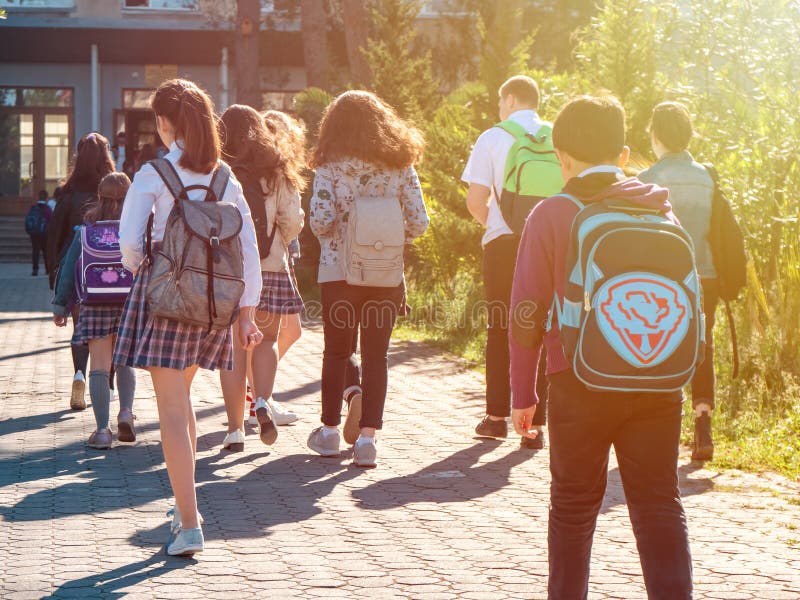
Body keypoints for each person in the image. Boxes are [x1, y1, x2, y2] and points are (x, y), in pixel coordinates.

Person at [509, 95, 693, 598]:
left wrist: (523, 394)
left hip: (578, 381)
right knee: (659, 504)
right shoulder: (659, 207)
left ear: (562, 157)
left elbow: (526, 310)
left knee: (573, 507)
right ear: (624, 155)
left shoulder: (552, 213)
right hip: (658, 380)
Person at [114, 79, 263, 556]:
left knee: (173, 410)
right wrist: (247, 311)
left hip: (167, 301)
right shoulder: (225, 177)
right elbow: (248, 248)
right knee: (184, 402)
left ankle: (190, 523)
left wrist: (143, 270)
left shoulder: (154, 173)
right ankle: (185, 511)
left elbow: (129, 242)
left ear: (163, 122)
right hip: (214, 306)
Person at [308, 90, 429, 467]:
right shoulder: (401, 165)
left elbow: (320, 221)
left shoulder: (330, 166)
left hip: (339, 275)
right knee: (377, 356)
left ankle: (329, 433)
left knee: (336, 352)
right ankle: (367, 441)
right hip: (385, 276)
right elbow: (419, 222)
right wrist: (385, 238)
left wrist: (345, 231)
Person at [461, 75, 558, 449]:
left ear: (512, 99)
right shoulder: (555, 136)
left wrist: (499, 225)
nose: (499, 108)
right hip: (548, 245)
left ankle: (497, 418)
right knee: (542, 326)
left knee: (500, 326)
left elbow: (475, 201)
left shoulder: (492, 137)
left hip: (503, 244)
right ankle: (537, 424)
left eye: (501, 101)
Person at [217, 104, 305, 452]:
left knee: (234, 350)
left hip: (230, 272)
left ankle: (235, 430)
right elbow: (292, 222)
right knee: (266, 340)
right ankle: (263, 401)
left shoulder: (219, 171)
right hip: (270, 268)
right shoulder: (278, 171)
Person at [638, 101, 718, 461]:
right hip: (705, 274)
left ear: (655, 135)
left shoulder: (646, 180)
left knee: (658, 345)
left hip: (663, 279)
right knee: (703, 345)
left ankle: (657, 429)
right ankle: (703, 424)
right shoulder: (707, 177)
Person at [51, 172, 137, 449]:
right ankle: (126, 412)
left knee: (99, 366)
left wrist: (60, 305)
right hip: (129, 303)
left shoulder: (86, 231)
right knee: (124, 361)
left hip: (95, 302)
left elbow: (68, 270)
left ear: (99, 197)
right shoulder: (136, 229)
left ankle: (102, 431)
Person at [47, 132, 115, 411]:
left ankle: (79, 375)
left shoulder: (68, 193)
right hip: (111, 268)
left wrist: (53, 271)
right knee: (111, 329)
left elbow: (54, 234)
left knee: (80, 326)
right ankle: (108, 383)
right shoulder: (113, 190)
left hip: (76, 268)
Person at [25, 190, 52, 276]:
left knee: (35, 251)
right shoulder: (47, 208)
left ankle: (35, 270)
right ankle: (47, 269)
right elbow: (51, 220)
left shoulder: (33, 207)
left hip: (34, 233)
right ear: (46, 198)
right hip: (45, 233)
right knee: (45, 251)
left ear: (39, 197)